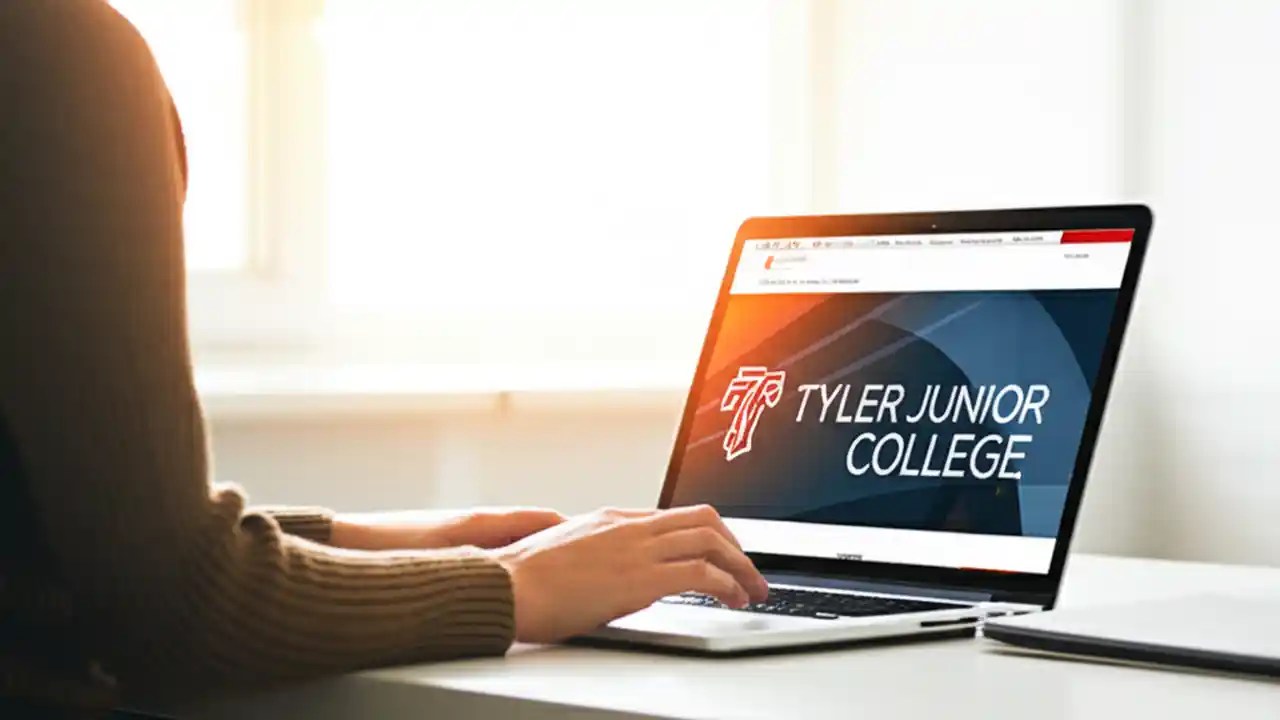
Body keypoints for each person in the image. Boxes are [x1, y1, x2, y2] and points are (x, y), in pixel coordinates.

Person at [0, 0, 769, 714]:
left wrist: (384, 542)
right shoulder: (53, 48)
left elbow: (43, 554)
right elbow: (177, 607)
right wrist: (513, 585)